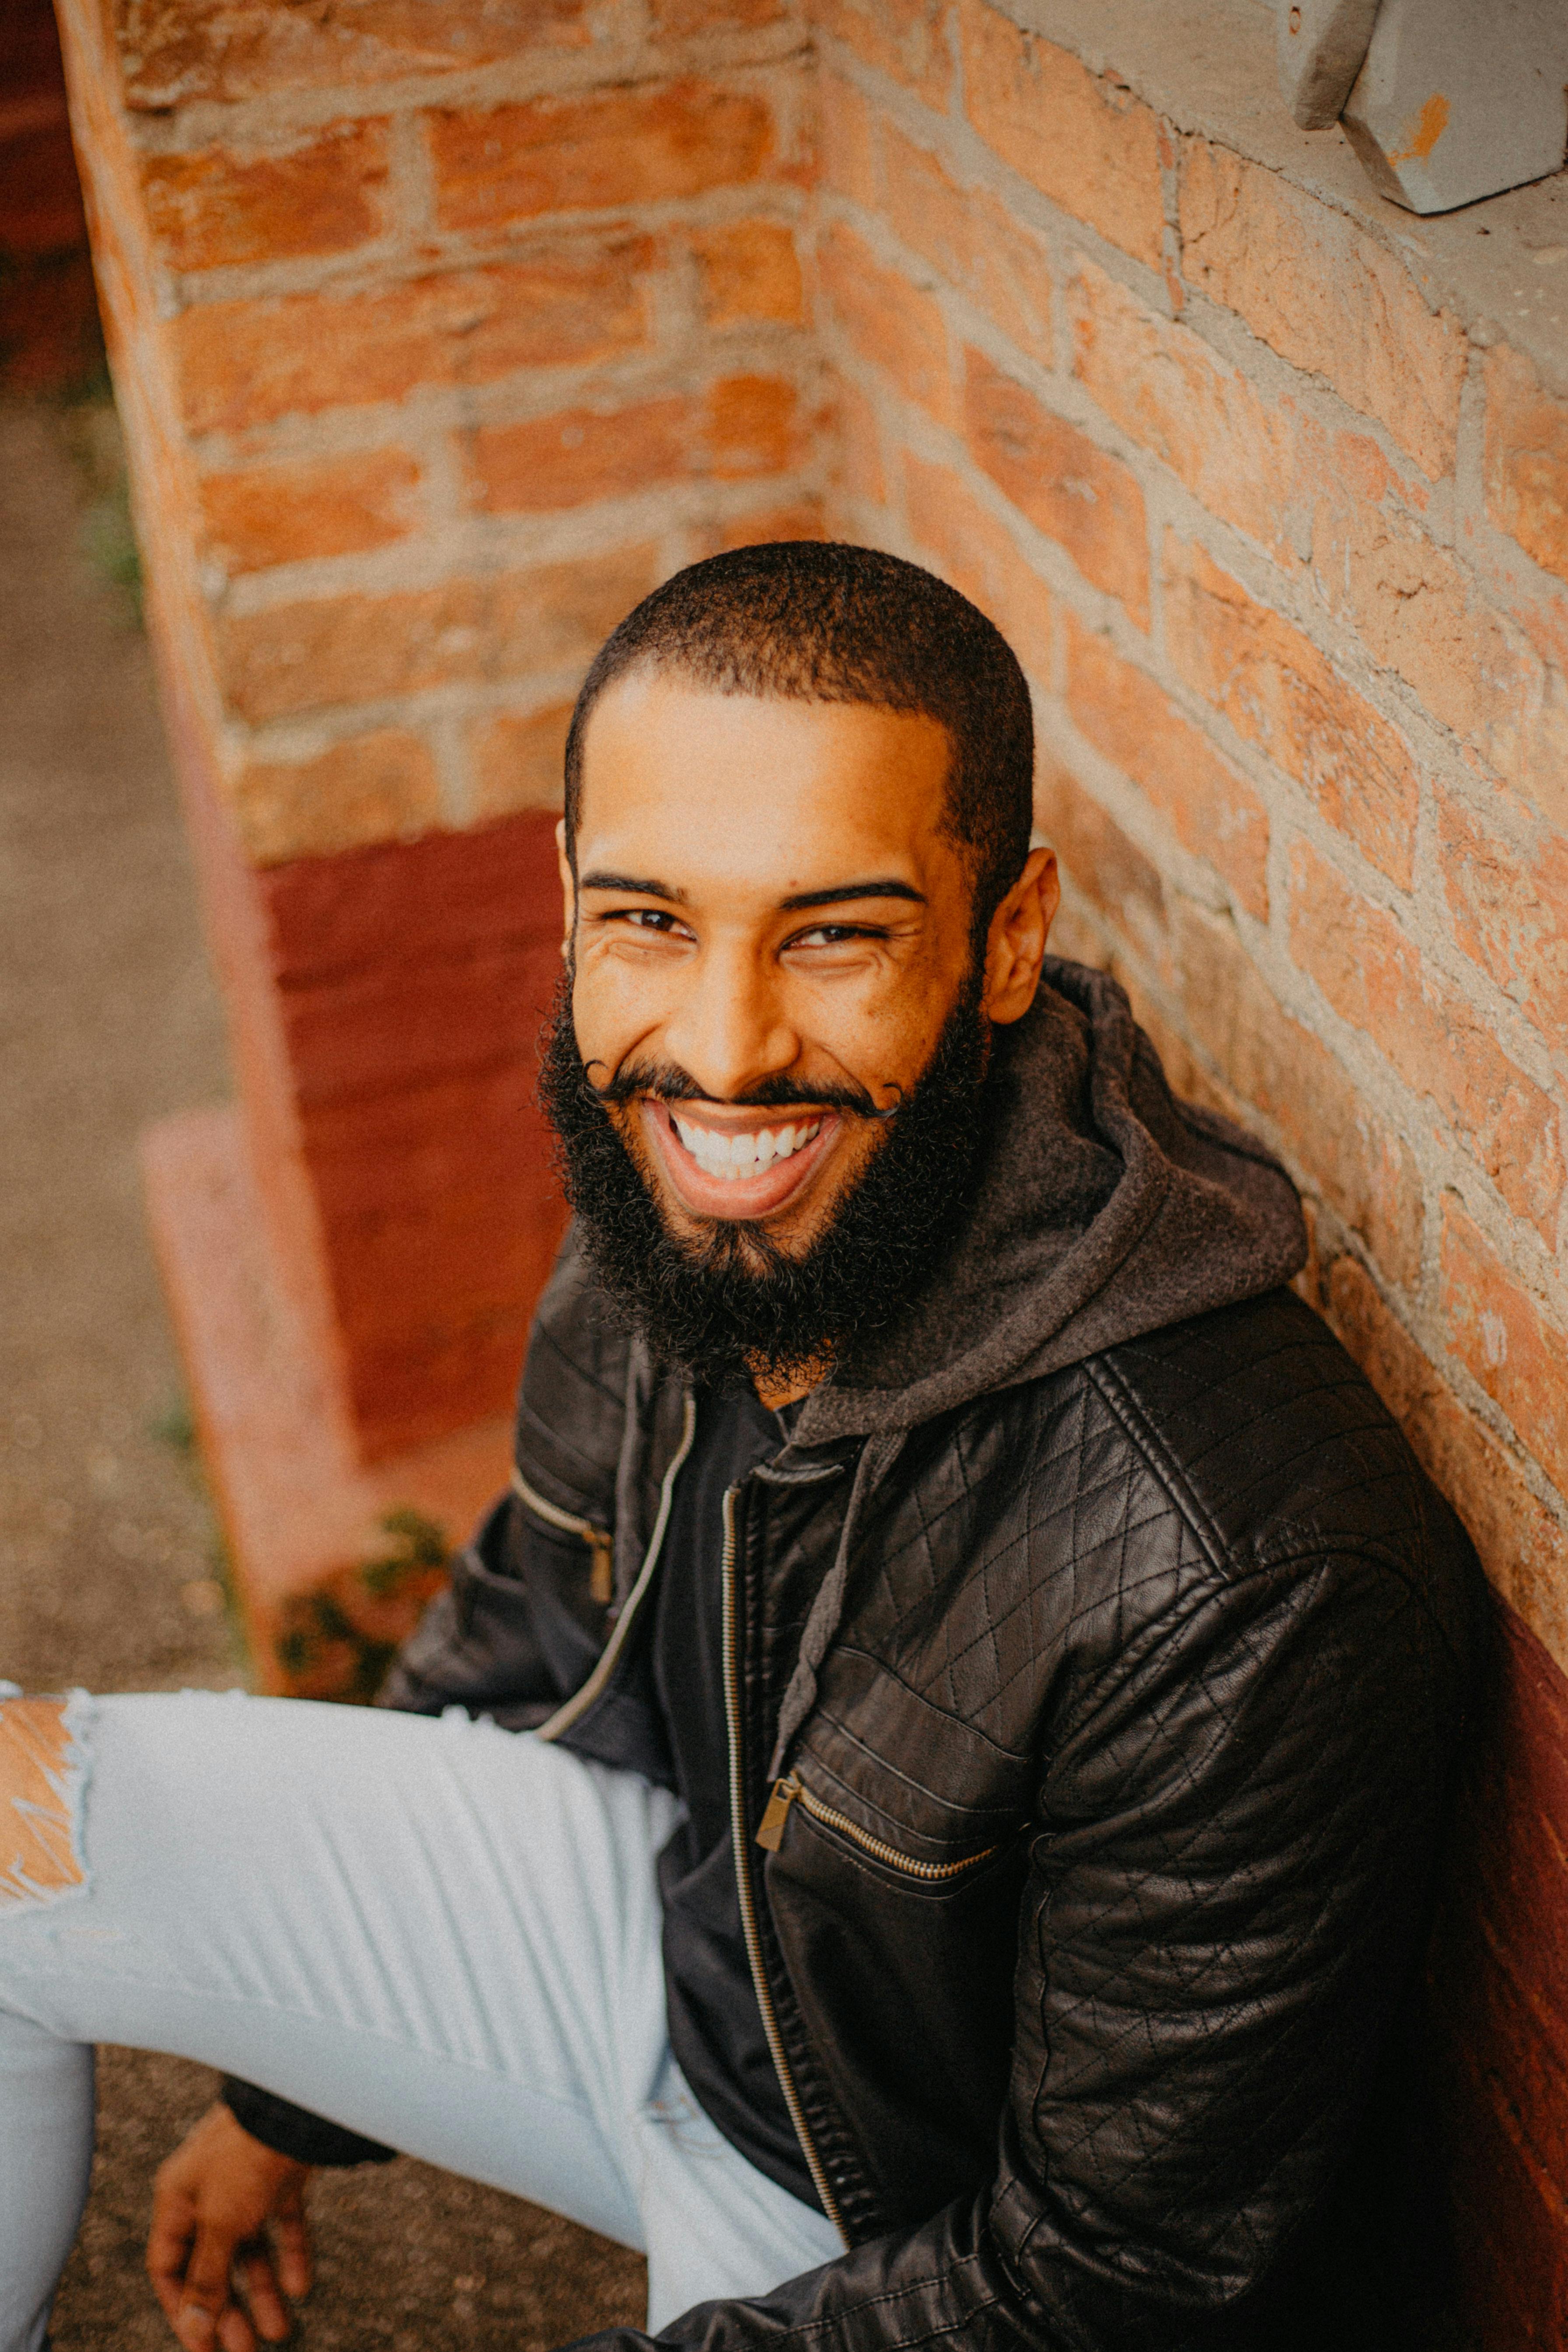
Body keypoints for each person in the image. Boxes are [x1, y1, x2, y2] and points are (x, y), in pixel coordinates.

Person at [0, 544, 1480, 2352]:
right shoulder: (685, 1206)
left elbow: (1104, 2285)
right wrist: (286, 2095)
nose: (723, 1048)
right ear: (569, 900)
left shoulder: (1242, 1567)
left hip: (896, 2232)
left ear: (1006, 936)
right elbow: (524, 1632)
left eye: (834, 933)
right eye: (650, 920)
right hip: (673, 1959)